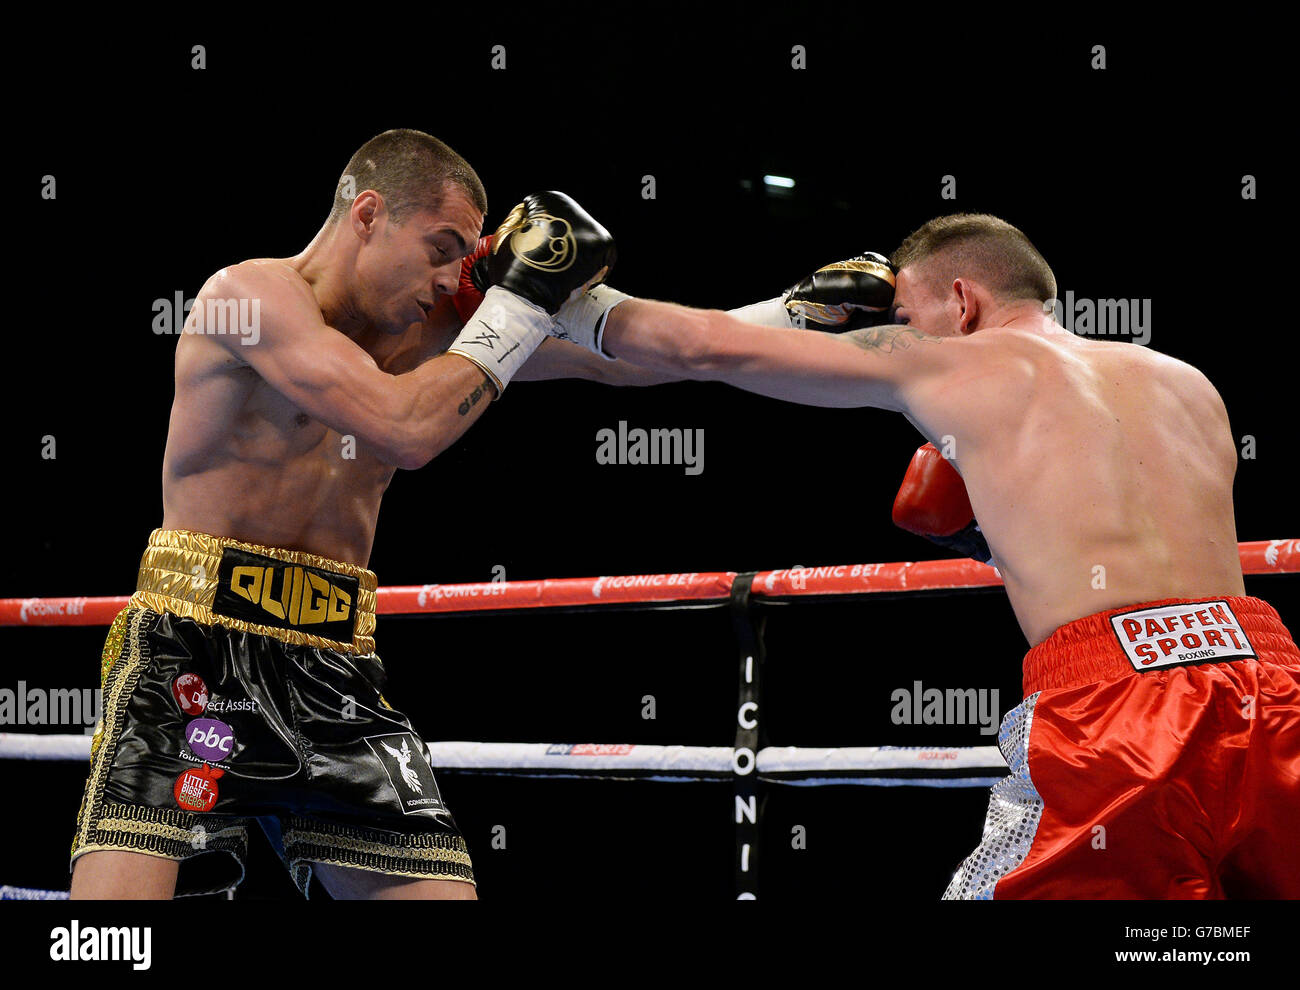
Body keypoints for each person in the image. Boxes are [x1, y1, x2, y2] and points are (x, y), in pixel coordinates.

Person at [543, 212, 1300, 898]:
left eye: (905, 313)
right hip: (1270, 685)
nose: (898, 326)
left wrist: (546, 295)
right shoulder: (1187, 381)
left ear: (960, 301)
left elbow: (699, 348)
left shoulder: (944, 362)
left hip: (1116, 713)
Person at [70, 129, 631, 900]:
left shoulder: (429, 339)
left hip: (335, 666)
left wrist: (787, 316)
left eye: (464, 258)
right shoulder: (250, 297)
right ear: (369, 213)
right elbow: (407, 432)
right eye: (440, 247)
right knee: (111, 942)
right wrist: (519, 303)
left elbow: (645, 352)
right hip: (190, 649)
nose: (449, 277)